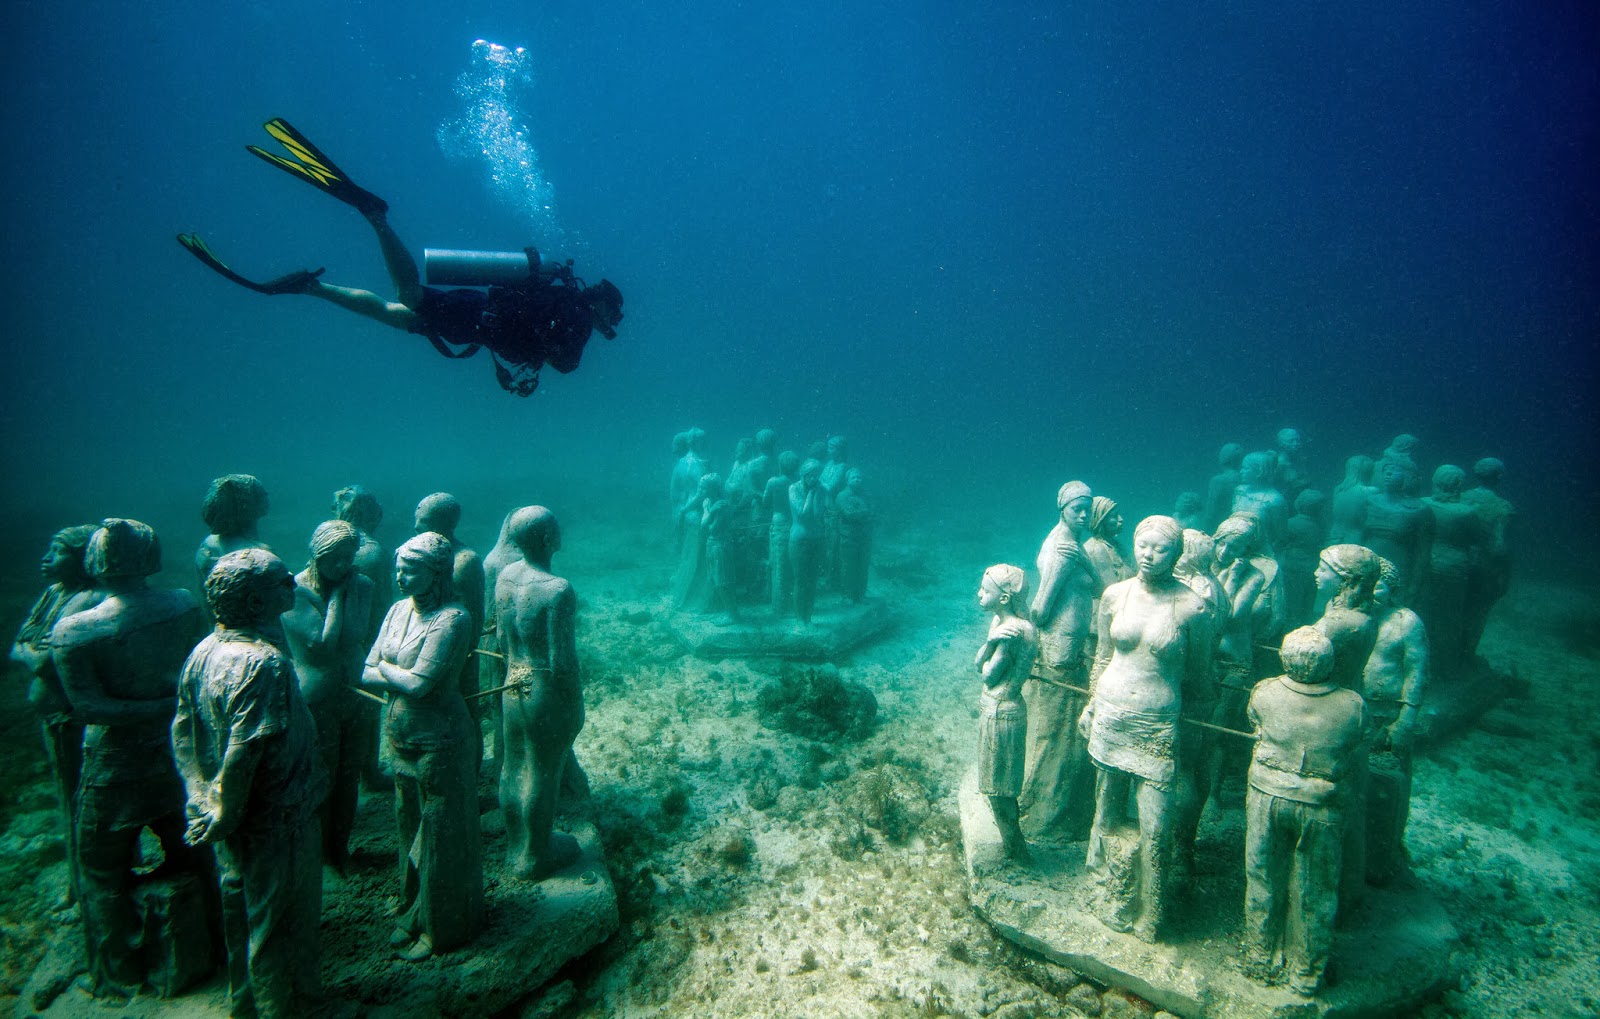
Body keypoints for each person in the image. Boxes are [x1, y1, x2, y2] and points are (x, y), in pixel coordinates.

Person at [178, 119, 623, 397]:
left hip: (476, 314)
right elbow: (565, 364)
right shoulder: (577, 316)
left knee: (397, 314)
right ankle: (376, 218)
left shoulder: (562, 298)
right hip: (474, 317)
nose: (611, 325)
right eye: (612, 315)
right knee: (407, 297)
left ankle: (313, 287)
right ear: (600, 303)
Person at [51, 519, 209, 997]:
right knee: (194, 849)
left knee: (101, 868)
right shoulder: (183, 605)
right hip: (177, 752)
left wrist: (149, 711)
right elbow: (196, 671)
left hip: (112, 765)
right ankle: (210, 946)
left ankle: (117, 974)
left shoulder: (74, 630)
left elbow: (89, 707)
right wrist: (170, 708)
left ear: (96, 562)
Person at [174, 549, 326, 1019]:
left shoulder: (203, 651)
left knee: (241, 914)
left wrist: (200, 794)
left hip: (231, 815)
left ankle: (246, 1006)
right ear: (256, 601)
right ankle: (288, 1010)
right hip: (276, 812)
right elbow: (245, 746)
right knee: (280, 924)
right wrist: (228, 808)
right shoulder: (263, 663)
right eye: (281, 580)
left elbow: (182, 730)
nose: (292, 583)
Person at [1079, 516, 1212, 942]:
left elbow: (1200, 676)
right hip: (1112, 714)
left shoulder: (1192, 607)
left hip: (1156, 722)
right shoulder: (1115, 594)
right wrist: (1091, 703)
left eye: (1159, 549)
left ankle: (1151, 911)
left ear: (1176, 555)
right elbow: (1101, 657)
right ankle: (1102, 891)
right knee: (1105, 810)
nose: (1148, 554)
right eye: (1142, 545)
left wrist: (1191, 733)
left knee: (1156, 823)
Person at [362, 532, 482, 960]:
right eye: (398, 568)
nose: (399, 576)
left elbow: (421, 683)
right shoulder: (397, 611)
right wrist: (395, 673)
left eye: (409, 569)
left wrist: (388, 669)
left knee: (441, 833)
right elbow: (366, 671)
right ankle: (413, 909)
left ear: (436, 573)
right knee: (407, 826)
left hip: (441, 739)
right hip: (400, 738)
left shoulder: (453, 618)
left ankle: (444, 925)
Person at [1242, 626, 1365, 997]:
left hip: (1267, 795)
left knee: (1262, 875)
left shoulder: (1264, 693)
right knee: (1315, 889)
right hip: (1321, 805)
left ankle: (1260, 958)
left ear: (1284, 657)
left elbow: (1255, 724)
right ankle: (1306, 973)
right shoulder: (1352, 705)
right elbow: (1356, 743)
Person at [10, 525, 106, 907]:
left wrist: (33, 653)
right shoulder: (53, 594)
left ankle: (85, 883)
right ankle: (80, 878)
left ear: (83, 558)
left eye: (58, 551)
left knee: (79, 798)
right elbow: (21, 646)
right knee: (67, 797)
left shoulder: (87, 600)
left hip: (73, 716)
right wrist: (33, 653)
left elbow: (46, 661)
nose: (46, 558)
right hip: (53, 714)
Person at [494, 507, 585, 880]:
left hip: (511, 682)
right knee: (544, 771)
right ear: (547, 539)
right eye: (555, 526)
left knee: (513, 767)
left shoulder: (505, 577)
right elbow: (561, 661)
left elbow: (501, 638)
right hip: (544, 689)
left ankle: (517, 845)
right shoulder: (557, 590)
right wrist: (573, 705)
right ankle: (536, 854)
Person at [279, 521, 372, 872]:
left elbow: (355, 634)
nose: (343, 565)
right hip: (318, 696)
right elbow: (322, 643)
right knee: (323, 775)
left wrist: (347, 593)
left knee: (348, 777)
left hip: (355, 691)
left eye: (349, 557)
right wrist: (338, 597)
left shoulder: (362, 583)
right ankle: (317, 855)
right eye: (335, 558)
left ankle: (339, 850)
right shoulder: (294, 590)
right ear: (317, 554)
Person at [975, 565, 1038, 865]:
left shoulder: (1010, 632)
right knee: (1000, 789)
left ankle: (1016, 851)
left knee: (999, 790)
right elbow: (980, 663)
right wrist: (989, 643)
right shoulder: (1003, 625)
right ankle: (1014, 849)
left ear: (1004, 598)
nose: (979, 595)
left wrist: (991, 645)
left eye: (985, 591)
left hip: (1001, 711)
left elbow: (987, 674)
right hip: (1002, 709)